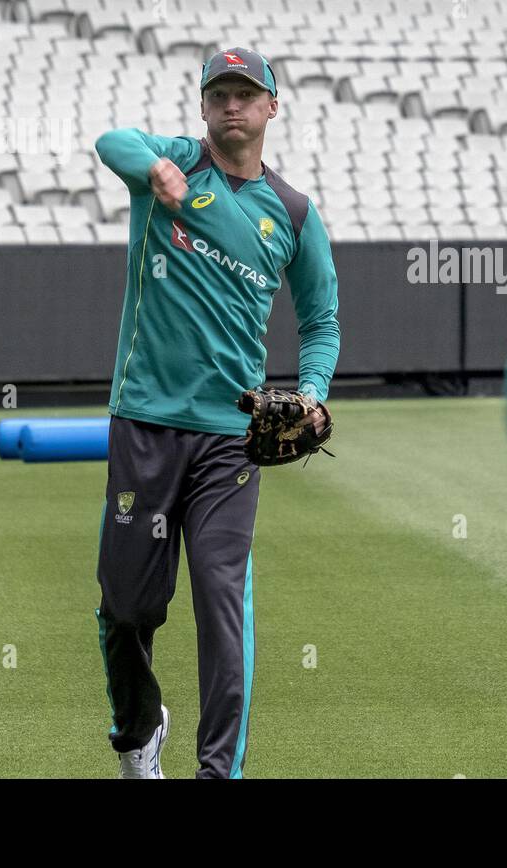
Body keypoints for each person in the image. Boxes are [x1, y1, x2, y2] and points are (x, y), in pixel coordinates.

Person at [93, 47, 340, 778]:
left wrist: (315, 391)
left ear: (271, 107)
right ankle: (140, 730)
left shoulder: (293, 212)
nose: (232, 105)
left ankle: (217, 772)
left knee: (222, 602)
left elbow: (321, 320)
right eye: (219, 94)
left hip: (232, 440)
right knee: (128, 607)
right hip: (144, 421)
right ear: (203, 108)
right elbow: (111, 141)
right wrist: (155, 170)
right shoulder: (170, 163)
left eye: (246, 93)